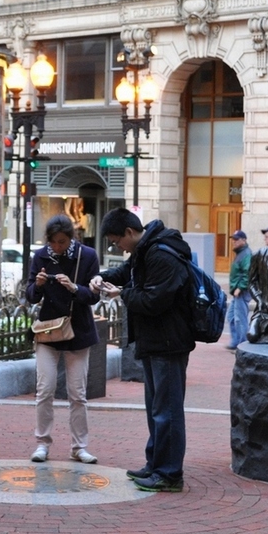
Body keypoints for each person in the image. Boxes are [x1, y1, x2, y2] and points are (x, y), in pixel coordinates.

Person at [90, 209, 195, 492]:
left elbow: (154, 300)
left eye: (116, 241)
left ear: (128, 232)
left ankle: (170, 474)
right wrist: (102, 277)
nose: (117, 247)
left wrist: (121, 293)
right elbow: (126, 273)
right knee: (156, 408)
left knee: (168, 410)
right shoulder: (144, 250)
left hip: (169, 342)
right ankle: (156, 465)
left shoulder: (162, 254)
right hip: (154, 341)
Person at [25, 214, 102, 465]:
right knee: (44, 390)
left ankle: (79, 447)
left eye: (62, 241)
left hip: (78, 330)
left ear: (71, 237)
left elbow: (93, 296)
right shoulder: (41, 256)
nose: (57, 246)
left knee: (77, 393)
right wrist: (37, 286)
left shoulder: (87, 256)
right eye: (53, 242)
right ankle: (42, 443)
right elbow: (30, 296)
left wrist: (73, 288)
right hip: (48, 330)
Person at [227, 230, 251, 350]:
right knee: (231, 316)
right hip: (237, 290)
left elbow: (247, 273)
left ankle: (242, 344)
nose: (234, 242)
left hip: (241, 291)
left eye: (236, 240)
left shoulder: (246, 254)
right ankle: (236, 341)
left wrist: (240, 287)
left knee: (240, 319)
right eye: (233, 239)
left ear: (243, 240)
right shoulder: (241, 253)